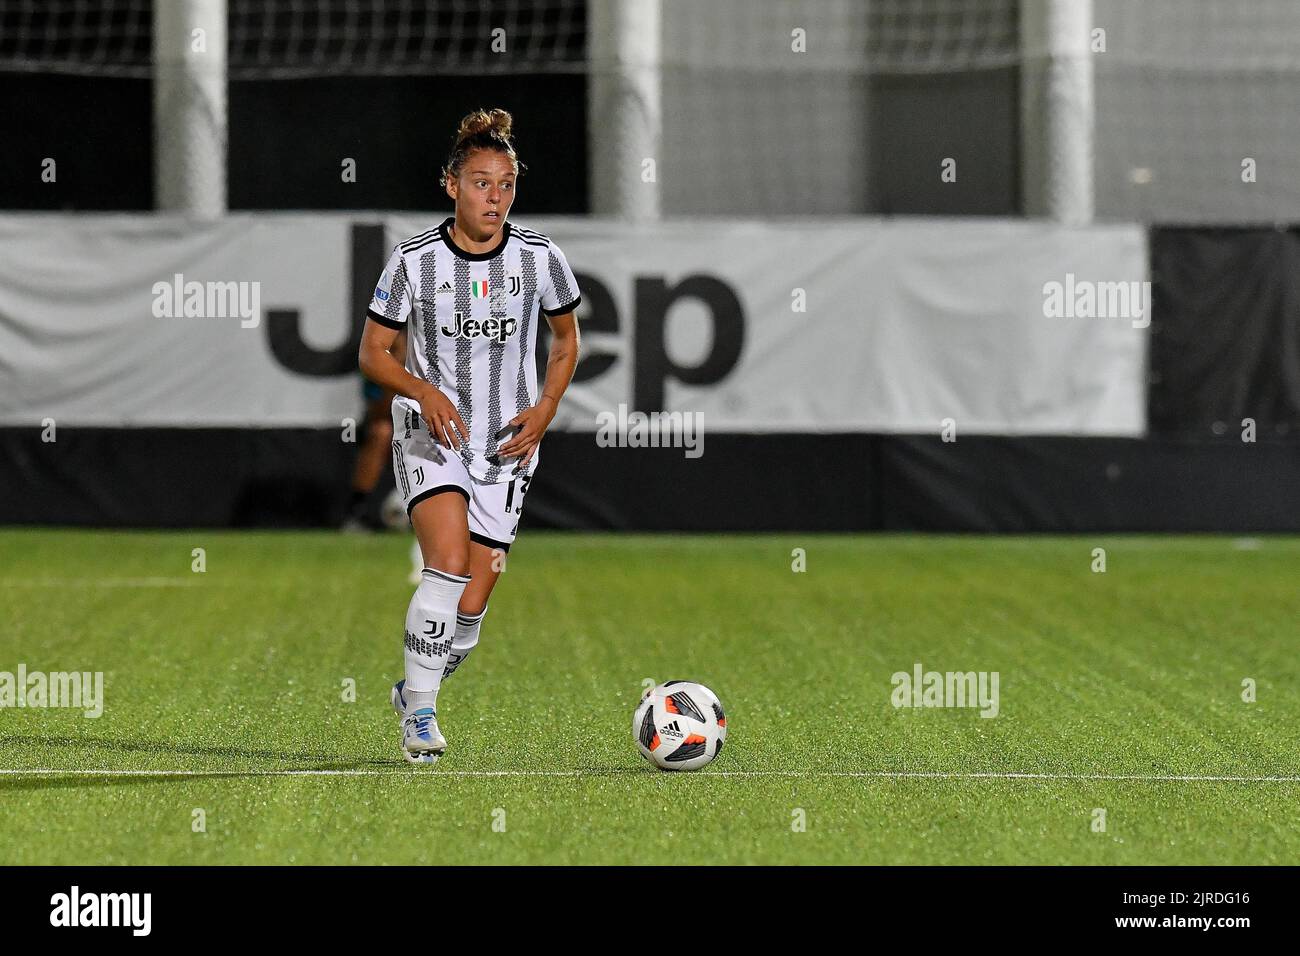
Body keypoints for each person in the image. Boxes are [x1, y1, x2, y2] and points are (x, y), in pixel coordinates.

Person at [358, 108, 581, 763]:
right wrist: (422, 391)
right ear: (450, 185)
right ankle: (421, 719)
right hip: (433, 436)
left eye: (507, 183)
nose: (497, 196)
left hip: (507, 444)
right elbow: (373, 352)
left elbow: (566, 341)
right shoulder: (413, 261)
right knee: (447, 565)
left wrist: (546, 407)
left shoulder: (540, 257)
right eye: (482, 182)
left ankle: (416, 686)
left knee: (470, 614)